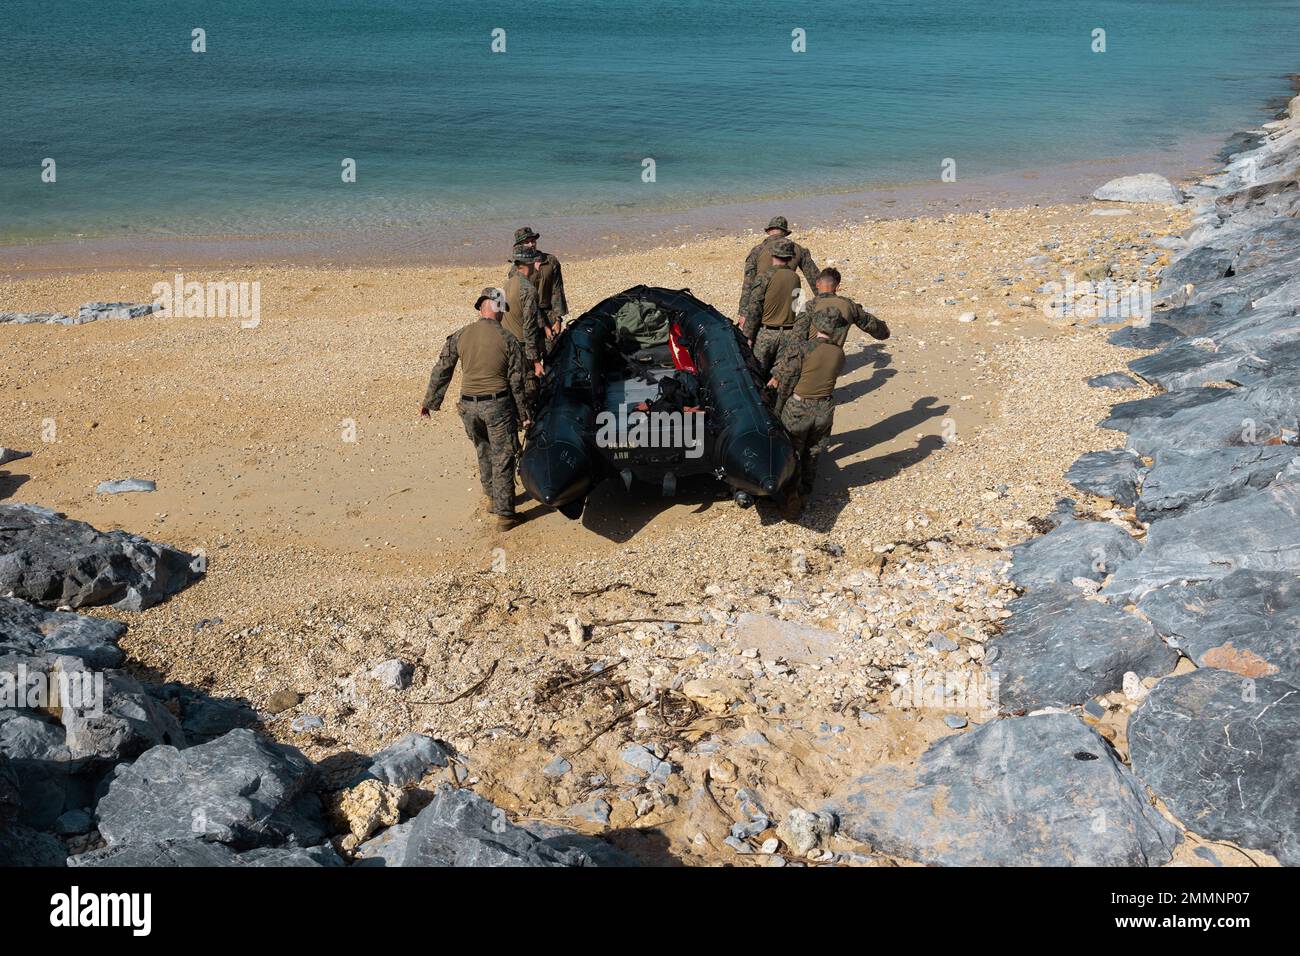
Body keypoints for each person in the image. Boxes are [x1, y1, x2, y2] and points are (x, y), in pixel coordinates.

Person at [420, 287, 530, 529]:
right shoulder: (509, 340)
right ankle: (505, 514)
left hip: (468, 406)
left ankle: (492, 497)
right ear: (500, 311)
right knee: (503, 456)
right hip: (497, 405)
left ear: (481, 308)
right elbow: (517, 383)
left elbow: (442, 370)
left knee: (483, 449)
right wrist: (524, 415)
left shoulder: (460, 335)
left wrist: (430, 402)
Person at [771, 309, 850, 517]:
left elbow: (788, 381)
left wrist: (777, 409)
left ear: (816, 326)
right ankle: (805, 493)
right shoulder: (839, 353)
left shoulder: (803, 348)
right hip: (824, 409)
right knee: (813, 452)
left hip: (799, 407)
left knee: (792, 452)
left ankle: (791, 498)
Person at [742, 238, 803, 379]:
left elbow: (754, 309)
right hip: (788, 333)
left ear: (772, 255)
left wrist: (748, 336)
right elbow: (796, 305)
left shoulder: (763, 277)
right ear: (790, 257)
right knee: (777, 377)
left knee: (756, 374)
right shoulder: (795, 277)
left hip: (767, 333)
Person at [737, 215, 818, 320]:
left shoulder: (757, 250)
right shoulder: (798, 249)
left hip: (761, 303)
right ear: (785, 233)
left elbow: (748, 283)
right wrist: (826, 303)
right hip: (787, 303)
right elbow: (815, 279)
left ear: (769, 231)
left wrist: (743, 313)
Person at [797, 267, 889, 348]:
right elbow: (870, 324)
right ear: (837, 287)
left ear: (817, 284)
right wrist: (885, 332)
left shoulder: (809, 306)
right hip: (834, 361)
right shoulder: (848, 304)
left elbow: (797, 337)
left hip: (808, 361)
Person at [511, 226, 568, 339]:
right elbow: (522, 302)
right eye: (526, 242)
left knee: (554, 350)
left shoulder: (551, 261)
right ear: (519, 246)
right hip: (528, 316)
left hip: (549, 313)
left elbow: (557, 291)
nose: (531, 244)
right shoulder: (516, 270)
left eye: (533, 241)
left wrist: (558, 319)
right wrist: (543, 326)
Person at [501, 247, 545, 377]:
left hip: (505, 343)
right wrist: (536, 361)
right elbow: (529, 327)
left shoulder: (508, 283)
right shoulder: (529, 290)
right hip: (521, 348)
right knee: (529, 391)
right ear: (529, 263)